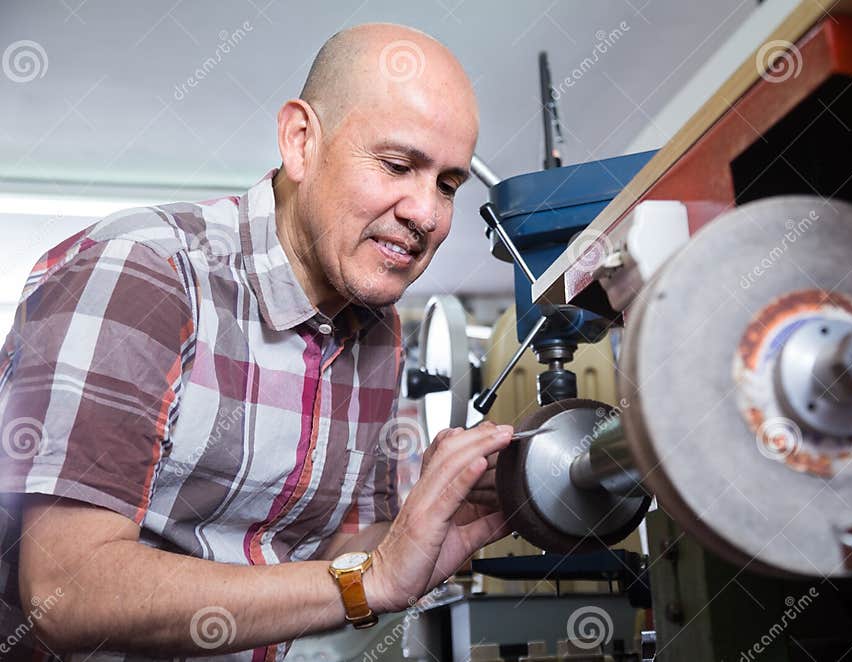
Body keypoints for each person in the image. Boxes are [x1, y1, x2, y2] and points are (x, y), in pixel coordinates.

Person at [0, 22, 512, 660]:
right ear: (301, 142)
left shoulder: (377, 333)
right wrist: (370, 580)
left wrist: (429, 526)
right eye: (397, 165)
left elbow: (327, 556)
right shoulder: (146, 275)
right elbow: (66, 591)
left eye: (447, 184)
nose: (428, 214)